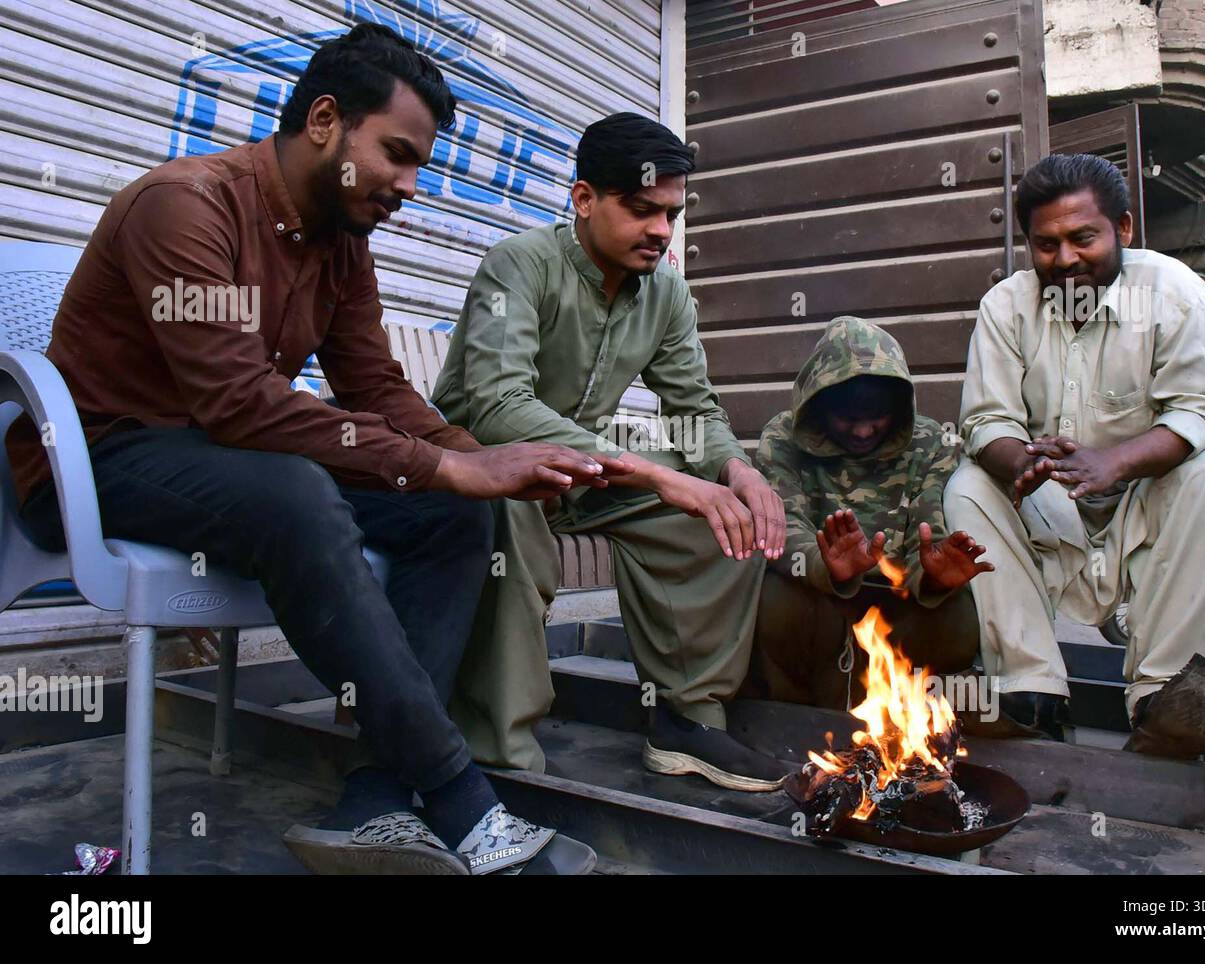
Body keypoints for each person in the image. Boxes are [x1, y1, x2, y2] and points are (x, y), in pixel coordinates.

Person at [6, 23, 622, 874]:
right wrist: (444, 461)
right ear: (325, 120)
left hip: (223, 462)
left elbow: (374, 386)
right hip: (99, 459)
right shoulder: (186, 205)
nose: (409, 186)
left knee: (450, 512)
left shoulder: (342, 243)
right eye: (397, 155)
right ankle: (457, 799)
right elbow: (235, 402)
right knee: (300, 492)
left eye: (420, 167)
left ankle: (372, 800)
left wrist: (473, 461)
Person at [433, 112, 791, 791]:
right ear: (584, 198)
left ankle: (688, 721)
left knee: (715, 512)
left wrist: (738, 471)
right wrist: (658, 476)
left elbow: (695, 410)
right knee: (515, 516)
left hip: (581, 470)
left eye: (672, 215)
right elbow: (499, 408)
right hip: (475, 467)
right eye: (641, 209)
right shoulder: (519, 265)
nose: (660, 231)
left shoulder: (666, 293)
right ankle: (499, 758)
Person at [942, 153, 1205, 756]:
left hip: (1151, 509)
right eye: (1045, 244)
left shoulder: (1177, 294)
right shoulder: (1006, 307)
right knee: (968, 485)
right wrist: (1022, 464)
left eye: (1081, 238)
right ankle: (1029, 692)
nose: (1064, 258)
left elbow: (1200, 411)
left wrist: (1111, 463)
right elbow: (986, 420)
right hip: (1053, 511)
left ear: (1122, 229)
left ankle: (1172, 700)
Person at [744, 316, 991, 710]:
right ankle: (791, 716)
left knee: (958, 617)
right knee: (775, 600)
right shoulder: (782, 437)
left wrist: (935, 578)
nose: (863, 432)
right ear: (818, 407)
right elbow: (782, 523)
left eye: (877, 416)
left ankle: (908, 717)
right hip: (818, 596)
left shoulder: (930, 441)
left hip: (903, 603)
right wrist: (827, 567)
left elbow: (929, 530)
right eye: (848, 418)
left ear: (899, 407)